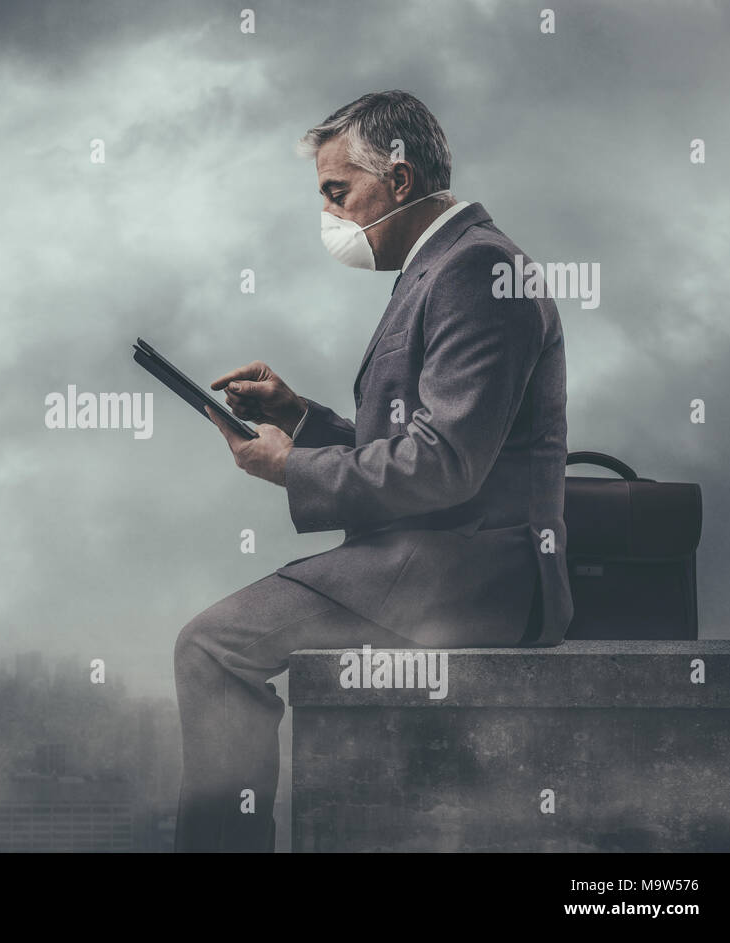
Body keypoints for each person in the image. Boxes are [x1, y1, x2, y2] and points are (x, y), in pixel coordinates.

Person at [174, 90, 572, 852]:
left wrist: (294, 469)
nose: (329, 218)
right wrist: (299, 418)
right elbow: (415, 440)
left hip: (469, 572)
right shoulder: (445, 268)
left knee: (211, 648)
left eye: (337, 193)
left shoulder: (477, 267)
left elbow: (446, 464)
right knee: (214, 642)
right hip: (438, 557)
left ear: (399, 177)